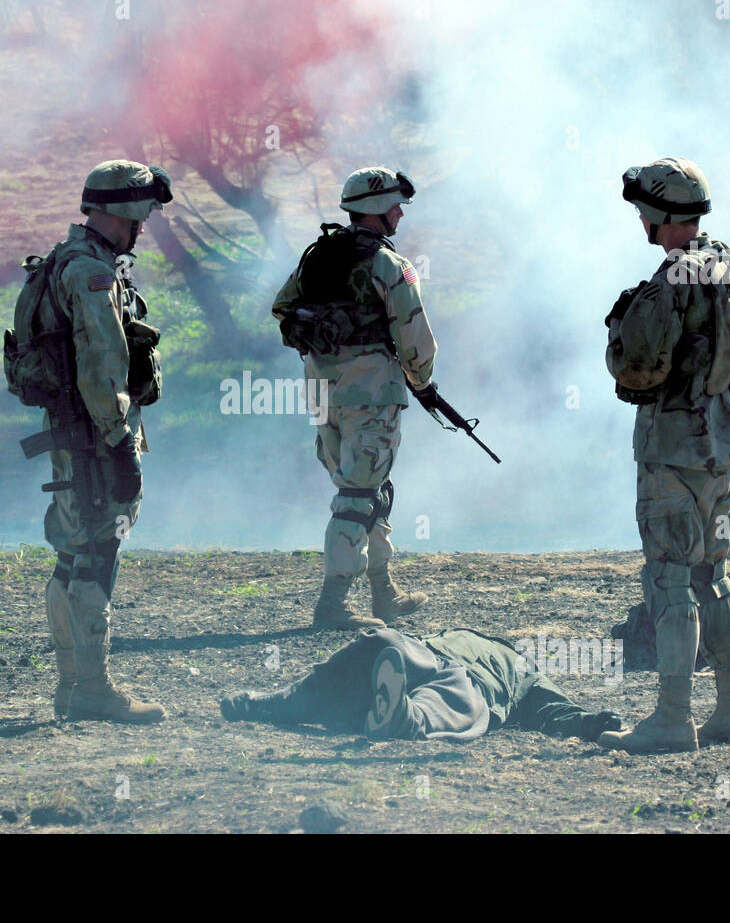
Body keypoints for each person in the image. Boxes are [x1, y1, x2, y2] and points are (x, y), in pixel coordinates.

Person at [600, 157, 730, 752]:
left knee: (670, 579)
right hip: (724, 439)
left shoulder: (671, 279)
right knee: (713, 577)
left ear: (658, 215)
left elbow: (637, 366)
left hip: (673, 444)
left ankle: (672, 719)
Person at [6, 159, 170, 724]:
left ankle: (73, 686)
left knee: (72, 552)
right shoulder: (90, 272)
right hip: (98, 431)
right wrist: (120, 442)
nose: (144, 225)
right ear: (123, 211)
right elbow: (103, 366)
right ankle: (92, 689)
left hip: (72, 430)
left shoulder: (67, 262)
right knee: (98, 551)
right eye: (142, 213)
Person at [271, 167, 437, 631]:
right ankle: (334, 604)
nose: (400, 212)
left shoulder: (317, 257)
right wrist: (421, 382)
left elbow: (283, 308)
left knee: (367, 488)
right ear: (379, 209)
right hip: (371, 391)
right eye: (395, 205)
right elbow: (414, 335)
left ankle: (384, 593)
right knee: (358, 493)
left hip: (323, 390)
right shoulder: (389, 264)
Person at [220, 627, 622, 743]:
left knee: (449, 692)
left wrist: (589, 724)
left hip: (467, 683)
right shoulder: (456, 635)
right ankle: (272, 702)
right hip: (422, 656)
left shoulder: (525, 672)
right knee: (383, 641)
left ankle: (398, 718)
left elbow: (553, 709)